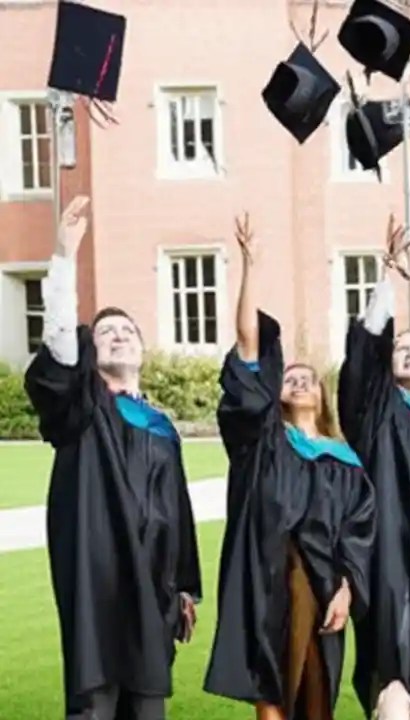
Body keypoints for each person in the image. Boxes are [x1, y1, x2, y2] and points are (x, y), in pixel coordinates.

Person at [25, 195, 202, 720]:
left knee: (148, 704)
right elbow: (59, 343)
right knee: (95, 702)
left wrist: (185, 586)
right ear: (90, 354)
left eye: (128, 331)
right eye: (107, 333)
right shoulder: (83, 408)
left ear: (143, 351)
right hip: (97, 579)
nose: (119, 336)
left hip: (152, 588)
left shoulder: (162, 426)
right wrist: (63, 255)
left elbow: (178, 511)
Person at [204, 213, 376, 720]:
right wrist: (250, 266)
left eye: (308, 378)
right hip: (269, 573)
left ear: (322, 394)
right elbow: (250, 346)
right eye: (290, 377)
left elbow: (358, 533)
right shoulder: (264, 439)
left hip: (325, 581)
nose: (299, 382)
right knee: (271, 684)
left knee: (317, 685)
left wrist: (347, 587)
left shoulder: (345, 460)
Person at [339, 215, 410, 720]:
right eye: (401, 349)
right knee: (389, 677)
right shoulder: (378, 409)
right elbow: (363, 359)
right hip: (386, 552)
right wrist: (386, 277)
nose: (409, 353)